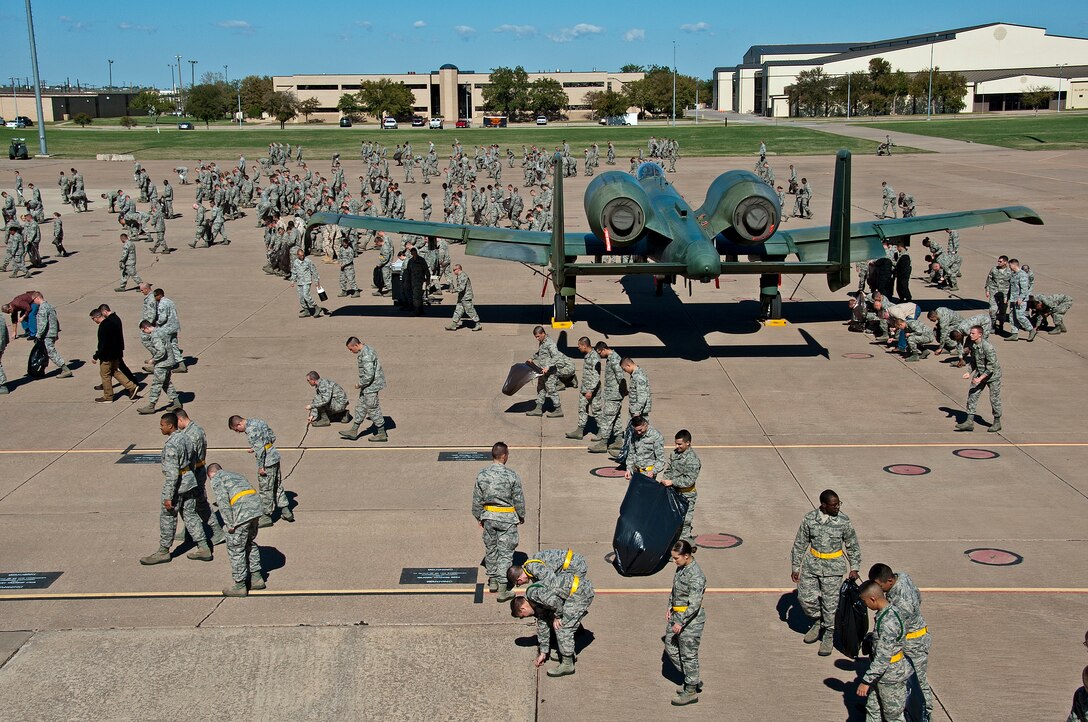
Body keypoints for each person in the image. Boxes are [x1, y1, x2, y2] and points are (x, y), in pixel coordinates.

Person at [790, 489, 862, 656]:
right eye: (834, 504)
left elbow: (852, 545)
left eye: (838, 504)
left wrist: (854, 567)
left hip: (833, 566)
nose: (837, 507)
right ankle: (818, 620)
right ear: (823, 505)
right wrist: (796, 566)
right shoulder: (810, 519)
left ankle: (829, 633)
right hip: (812, 564)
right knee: (805, 598)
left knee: (830, 604)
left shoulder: (843, 521)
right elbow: (800, 543)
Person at [138, 412, 213, 565]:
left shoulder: (172, 444)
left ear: (170, 425)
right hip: (189, 482)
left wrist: (168, 497)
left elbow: (172, 474)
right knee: (190, 515)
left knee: (168, 517)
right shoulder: (186, 437)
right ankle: (204, 547)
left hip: (177, 486)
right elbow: (193, 459)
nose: (160, 428)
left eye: (162, 425)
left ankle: (163, 551)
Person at [869, 564, 932, 721]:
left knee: (918, 682)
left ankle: (924, 714)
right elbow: (919, 597)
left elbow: (896, 629)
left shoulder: (903, 602)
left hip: (914, 643)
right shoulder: (902, 577)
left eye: (879, 586)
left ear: (889, 581)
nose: (877, 589)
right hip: (910, 639)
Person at [510, 570, 595, 678]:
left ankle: (567, 664)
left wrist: (558, 617)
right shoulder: (535, 604)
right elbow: (543, 626)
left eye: (522, 616)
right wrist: (543, 652)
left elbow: (555, 602)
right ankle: (572, 641)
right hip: (575, 592)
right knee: (552, 620)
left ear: (522, 608)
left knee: (562, 627)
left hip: (580, 592)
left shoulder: (533, 594)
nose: (525, 617)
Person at [472, 441, 525, 602]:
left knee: (491, 549)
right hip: (507, 519)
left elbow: (476, 500)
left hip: (488, 517)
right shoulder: (511, 475)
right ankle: (503, 588)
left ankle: (493, 580)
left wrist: (479, 516)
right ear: (503, 456)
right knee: (506, 553)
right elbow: (518, 499)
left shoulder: (482, 474)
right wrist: (521, 516)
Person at [207, 463, 266, 596]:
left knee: (236, 547)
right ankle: (257, 578)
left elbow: (223, 503)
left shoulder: (216, 479)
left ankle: (240, 585)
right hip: (256, 508)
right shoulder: (235, 474)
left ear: (210, 474)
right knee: (249, 542)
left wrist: (229, 524)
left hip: (242, 511)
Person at [855, 581, 909, 722]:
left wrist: (866, 681)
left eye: (865, 601)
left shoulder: (888, 622)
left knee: (893, 716)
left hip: (890, 677)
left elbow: (883, 658)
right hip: (881, 675)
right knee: (873, 709)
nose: (865, 605)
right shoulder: (888, 612)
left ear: (872, 598)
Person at [228, 415, 293, 526]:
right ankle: (285, 510)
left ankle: (266, 516)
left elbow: (260, 450)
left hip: (267, 462)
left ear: (239, 424)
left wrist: (261, 466)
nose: (238, 432)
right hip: (274, 456)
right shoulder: (259, 422)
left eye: (237, 430)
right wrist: (261, 446)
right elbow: (272, 436)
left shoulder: (250, 430)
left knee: (266, 489)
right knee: (277, 485)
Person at [664, 540, 706, 706]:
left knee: (688, 654)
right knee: (670, 646)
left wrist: (680, 622)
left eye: (676, 558)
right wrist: (670, 606)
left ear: (686, 556)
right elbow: (675, 590)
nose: (674, 561)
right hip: (678, 616)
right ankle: (692, 678)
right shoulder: (682, 568)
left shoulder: (696, 576)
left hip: (690, 621)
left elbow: (694, 604)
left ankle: (690, 690)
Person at [175, 410, 225, 547]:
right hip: (197, 470)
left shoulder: (191, 434)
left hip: (194, 473)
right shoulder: (197, 429)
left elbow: (189, 458)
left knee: (199, 504)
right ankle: (189, 532)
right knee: (189, 504)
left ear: (180, 419)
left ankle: (217, 532)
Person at [340, 336, 388, 442]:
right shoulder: (366, 350)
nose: (351, 351)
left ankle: (381, 433)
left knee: (373, 409)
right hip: (367, 387)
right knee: (361, 407)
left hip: (371, 386)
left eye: (351, 349)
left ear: (356, 345)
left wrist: (359, 384)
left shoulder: (366, 354)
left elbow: (369, 374)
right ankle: (354, 430)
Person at [956, 325, 1002, 432]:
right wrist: (968, 372)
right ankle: (969, 421)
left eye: (973, 333)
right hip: (980, 372)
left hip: (992, 376)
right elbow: (973, 360)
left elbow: (991, 365)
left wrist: (980, 378)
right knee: (972, 394)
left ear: (980, 334)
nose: (970, 335)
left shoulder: (987, 347)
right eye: (970, 333)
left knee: (994, 399)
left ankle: (997, 422)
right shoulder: (973, 345)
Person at [89, 306, 139, 403]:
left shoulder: (103, 327)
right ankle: (131, 386)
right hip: (115, 354)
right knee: (115, 372)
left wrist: (96, 356)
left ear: (97, 317)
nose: (93, 321)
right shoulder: (112, 323)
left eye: (92, 318)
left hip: (107, 356)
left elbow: (102, 344)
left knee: (105, 375)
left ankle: (108, 397)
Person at [526, 326, 576, 417]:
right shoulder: (542, 342)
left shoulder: (550, 343)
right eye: (535, 337)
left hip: (550, 372)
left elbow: (556, 356)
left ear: (543, 333)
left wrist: (548, 367)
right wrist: (532, 358)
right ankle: (538, 408)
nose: (537, 339)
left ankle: (558, 409)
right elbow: (541, 353)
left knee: (551, 389)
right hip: (542, 371)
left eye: (538, 336)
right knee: (540, 389)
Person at [661, 430, 701, 540]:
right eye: (676, 443)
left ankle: (684, 546)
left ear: (688, 443)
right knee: (673, 522)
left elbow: (689, 480)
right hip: (673, 493)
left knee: (684, 523)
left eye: (679, 444)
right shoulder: (675, 454)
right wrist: (665, 480)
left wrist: (672, 482)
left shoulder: (693, 460)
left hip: (686, 495)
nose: (676, 446)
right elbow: (669, 469)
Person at [136, 320, 181, 414]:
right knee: (166, 383)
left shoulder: (155, 335)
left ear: (146, 328)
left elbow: (161, 351)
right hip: (169, 361)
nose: (145, 333)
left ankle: (151, 406)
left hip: (162, 363)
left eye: (144, 331)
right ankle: (176, 402)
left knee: (156, 384)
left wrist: (153, 360)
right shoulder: (161, 330)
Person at [589, 341, 625, 454]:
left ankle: (603, 443)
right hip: (614, 394)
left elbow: (621, 377)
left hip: (613, 395)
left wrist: (624, 390)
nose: (599, 355)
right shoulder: (612, 358)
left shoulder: (614, 359)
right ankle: (619, 440)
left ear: (603, 349)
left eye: (599, 353)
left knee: (607, 419)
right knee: (616, 418)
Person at [506, 548, 588, 592]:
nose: (522, 584)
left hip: (575, 565)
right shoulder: (530, 569)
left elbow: (552, 583)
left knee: (571, 594)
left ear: (519, 580)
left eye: (518, 584)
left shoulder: (534, 568)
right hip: (570, 565)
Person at [566, 337, 599, 440]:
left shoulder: (594, 357)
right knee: (582, 409)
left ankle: (603, 432)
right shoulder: (588, 356)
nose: (578, 347)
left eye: (579, 345)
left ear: (585, 345)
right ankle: (580, 431)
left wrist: (591, 390)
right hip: (585, 389)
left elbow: (596, 375)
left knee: (597, 411)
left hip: (592, 390)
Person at [33, 292, 72, 378]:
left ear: (37, 298)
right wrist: (56, 332)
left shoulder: (43, 308)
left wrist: (38, 335)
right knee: (45, 352)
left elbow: (42, 323)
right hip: (52, 332)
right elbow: (55, 320)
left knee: (50, 351)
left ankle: (65, 369)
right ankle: (42, 370)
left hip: (47, 334)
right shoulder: (49, 306)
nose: (33, 303)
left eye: (33, 300)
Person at [292, 248, 328, 318]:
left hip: (306, 281)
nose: (302, 257)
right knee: (301, 297)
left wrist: (317, 282)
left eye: (303, 255)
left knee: (306, 296)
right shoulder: (295, 262)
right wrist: (292, 281)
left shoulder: (308, 261)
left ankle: (316, 307)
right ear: (298, 255)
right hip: (299, 282)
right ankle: (306, 310)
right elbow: (294, 272)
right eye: (300, 256)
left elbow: (314, 271)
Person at [445, 264, 482, 331]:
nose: (453, 272)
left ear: (458, 269)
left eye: (454, 270)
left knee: (470, 310)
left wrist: (453, 290)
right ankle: (454, 324)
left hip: (466, 297)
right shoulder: (459, 276)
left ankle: (478, 324)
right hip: (462, 297)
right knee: (458, 311)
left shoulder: (463, 276)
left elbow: (461, 288)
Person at [1006, 258, 1033, 340]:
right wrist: (1007, 298)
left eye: (1010, 265)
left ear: (1014, 264)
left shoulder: (1022, 275)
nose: (1009, 267)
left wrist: (1021, 298)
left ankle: (1031, 330)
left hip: (1020, 300)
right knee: (1012, 317)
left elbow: (1024, 289)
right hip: (1013, 299)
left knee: (1020, 316)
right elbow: (1011, 288)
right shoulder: (1014, 274)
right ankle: (1014, 334)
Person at [985, 255, 1012, 333]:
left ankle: (1001, 325)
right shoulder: (994, 269)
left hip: (1004, 295)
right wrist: (987, 290)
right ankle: (992, 326)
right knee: (992, 310)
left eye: (1000, 261)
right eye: (998, 261)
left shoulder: (1010, 272)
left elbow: (1012, 284)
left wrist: (1009, 296)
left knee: (1002, 311)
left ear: (1005, 262)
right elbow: (989, 280)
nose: (998, 263)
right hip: (994, 293)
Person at [403, 247, 430, 315]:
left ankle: (417, 311)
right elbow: (408, 272)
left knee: (416, 296)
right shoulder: (410, 261)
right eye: (413, 253)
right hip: (412, 281)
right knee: (417, 296)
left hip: (420, 281)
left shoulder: (421, 260)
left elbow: (426, 270)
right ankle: (420, 310)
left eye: (415, 252)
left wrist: (428, 280)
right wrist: (407, 281)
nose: (414, 254)